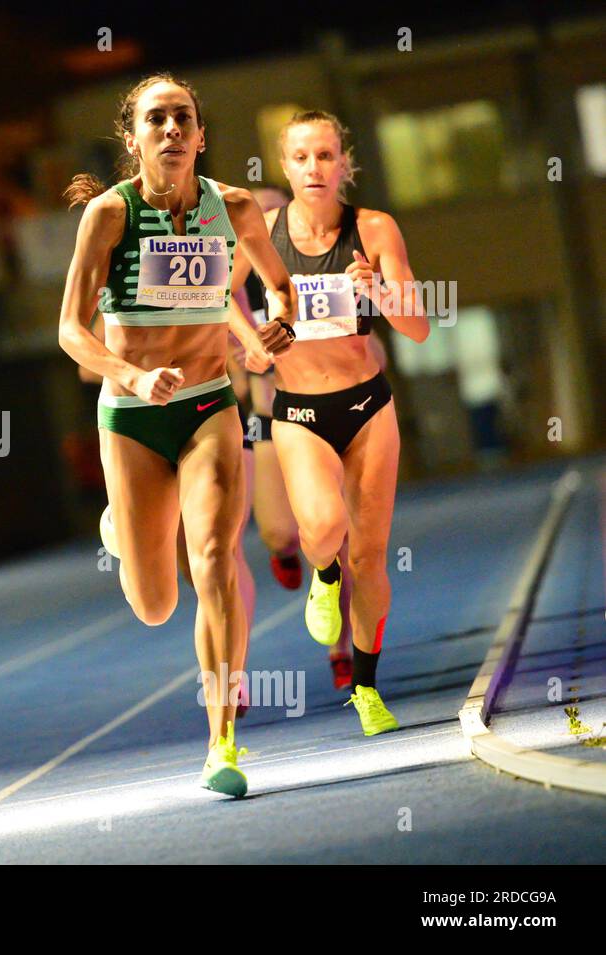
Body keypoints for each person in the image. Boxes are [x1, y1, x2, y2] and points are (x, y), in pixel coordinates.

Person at [58, 74, 296, 796]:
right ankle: (123, 531)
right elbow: (69, 329)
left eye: (182, 118)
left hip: (207, 407)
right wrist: (130, 376)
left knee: (218, 559)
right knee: (154, 602)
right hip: (132, 418)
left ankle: (221, 743)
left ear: (199, 136)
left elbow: (277, 284)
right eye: (155, 119)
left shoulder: (236, 207)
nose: (170, 130)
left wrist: (279, 320)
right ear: (132, 139)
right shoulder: (109, 214)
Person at [239, 110, 429, 736]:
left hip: (368, 406)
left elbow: (418, 326)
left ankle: (368, 690)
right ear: (285, 165)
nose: (315, 169)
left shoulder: (373, 228)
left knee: (371, 556)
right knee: (322, 528)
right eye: (301, 158)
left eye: (326, 156)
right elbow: (215, 303)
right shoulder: (262, 231)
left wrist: (378, 291)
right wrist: (250, 346)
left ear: (344, 163)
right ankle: (323, 574)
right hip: (297, 410)